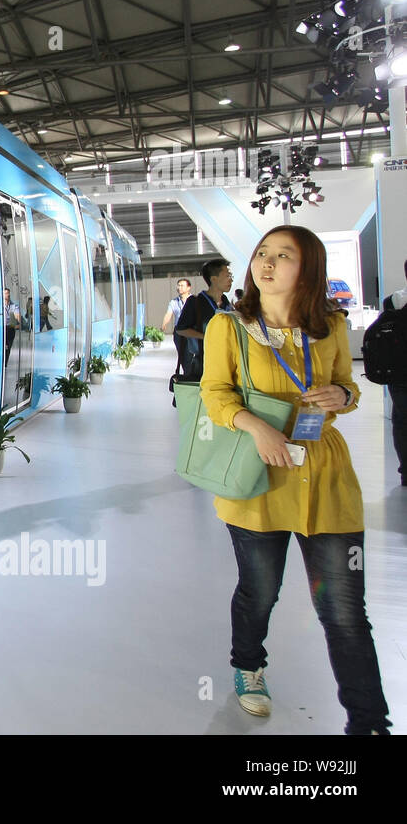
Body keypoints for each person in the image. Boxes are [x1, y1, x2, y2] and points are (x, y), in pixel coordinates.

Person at [199, 225, 391, 734]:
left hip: (325, 477)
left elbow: (350, 385)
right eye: (263, 253)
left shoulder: (330, 325)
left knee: (345, 612)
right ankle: (248, 667)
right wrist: (256, 426)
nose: (267, 264)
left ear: (308, 270)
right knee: (259, 590)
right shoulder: (230, 327)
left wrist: (342, 398)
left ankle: (369, 722)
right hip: (258, 476)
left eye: (283, 256)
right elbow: (215, 393)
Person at [174, 258, 234, 382]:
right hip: (203, 363)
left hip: (227, 360)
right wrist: (206, 336)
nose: (231, 279)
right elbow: (181, 329)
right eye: (227, 275)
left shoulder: (227, 303)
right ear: (213, 279)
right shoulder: (195, 302)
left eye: (231, 276)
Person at [384, 259, 407, 485]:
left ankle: (406, 471)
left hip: (398, 371)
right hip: (400, 372)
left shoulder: (392, 301)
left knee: (401, 421)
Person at [163, 278, 193, 376]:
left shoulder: (194, 300)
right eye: (178, 285)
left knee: (189, 354)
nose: (179, 287)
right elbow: (168, 314)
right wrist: (164, 325)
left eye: (182, 285)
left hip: (191, 331)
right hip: (179, 332)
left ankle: (189, 374)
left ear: (188, 288)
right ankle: (187, 373)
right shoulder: (174, 302)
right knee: (182, 355)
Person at [3, 288, 22, 362]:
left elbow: (17, 317)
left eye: (8, 293)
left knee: (8, 348)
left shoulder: (14, 306)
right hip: (2, 328)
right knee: (2, 347)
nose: (8, 295)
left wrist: (17, 318)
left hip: (10, 328)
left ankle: (5, 364)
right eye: (6, 293)